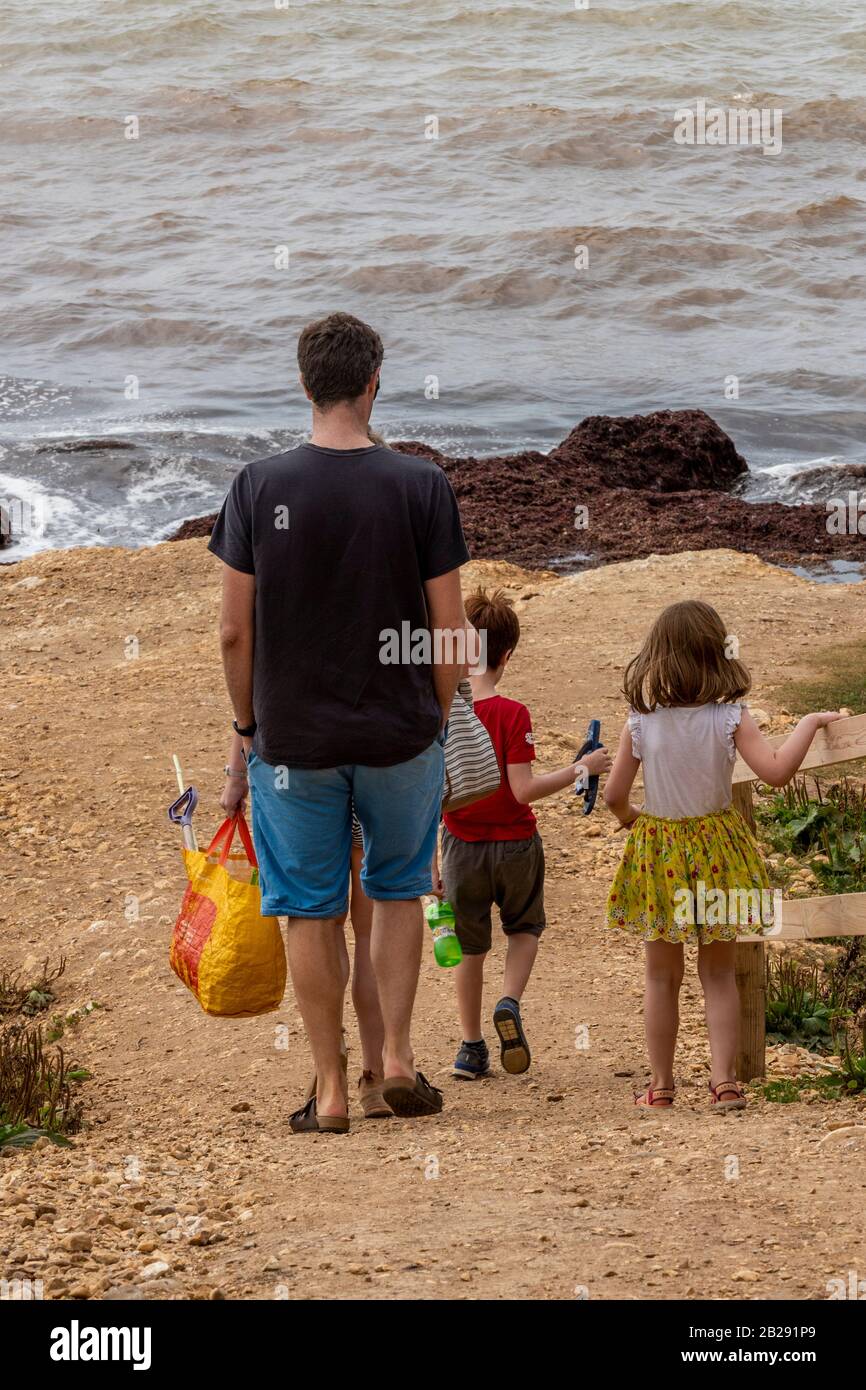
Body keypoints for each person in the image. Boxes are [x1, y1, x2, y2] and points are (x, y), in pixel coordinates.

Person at [210, 311, 469, 1133]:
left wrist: (247, 728)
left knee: (311, 909)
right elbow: (450, 628)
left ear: (303, 383)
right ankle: (393, 1057)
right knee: (396, 891)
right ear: (373, 382)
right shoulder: (420, 484)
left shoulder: (257, 486)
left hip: (293, 743)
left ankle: (327, 1089)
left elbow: (231, 630)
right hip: (400, 733)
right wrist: (432, 712)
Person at [603, 599, 841, 1111]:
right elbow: (776, 772)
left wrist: (632, 819)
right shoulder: (730, 716)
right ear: (717, 653)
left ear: (658, 657)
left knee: (661, 976)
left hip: (659, 849)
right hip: (718, 851)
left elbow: (614, 796)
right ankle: (725, 1083)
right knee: (719, 974)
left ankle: (662, 1088)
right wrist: (808, 722)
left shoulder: (641, 723)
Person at [440, 588, 611, 1080]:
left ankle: (470, 1048)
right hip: (515, 844)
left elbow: (433, 789)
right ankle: (509, 1001)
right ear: (507, 655)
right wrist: (580, 769)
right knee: (525, 928)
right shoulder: (513, 714)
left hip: (459, 847)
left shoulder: (444, 709)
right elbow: (523, 790)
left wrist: (429, 862)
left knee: (469, 948)